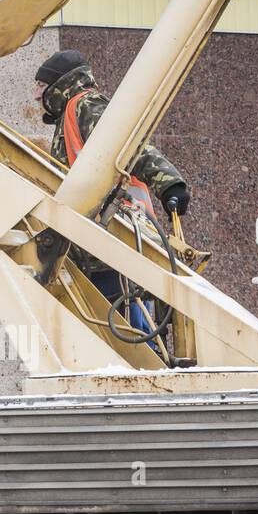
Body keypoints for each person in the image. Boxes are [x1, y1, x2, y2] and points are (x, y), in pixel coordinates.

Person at [36, 49, 191, 339]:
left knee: (131, 331)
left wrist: (169, 183)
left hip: (115, 239)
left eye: (41, 87)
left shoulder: (86, 105)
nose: (36, 95)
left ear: (60, 85)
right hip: (102, 245)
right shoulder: (69, 117)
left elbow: (130, 145)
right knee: (121, 328)